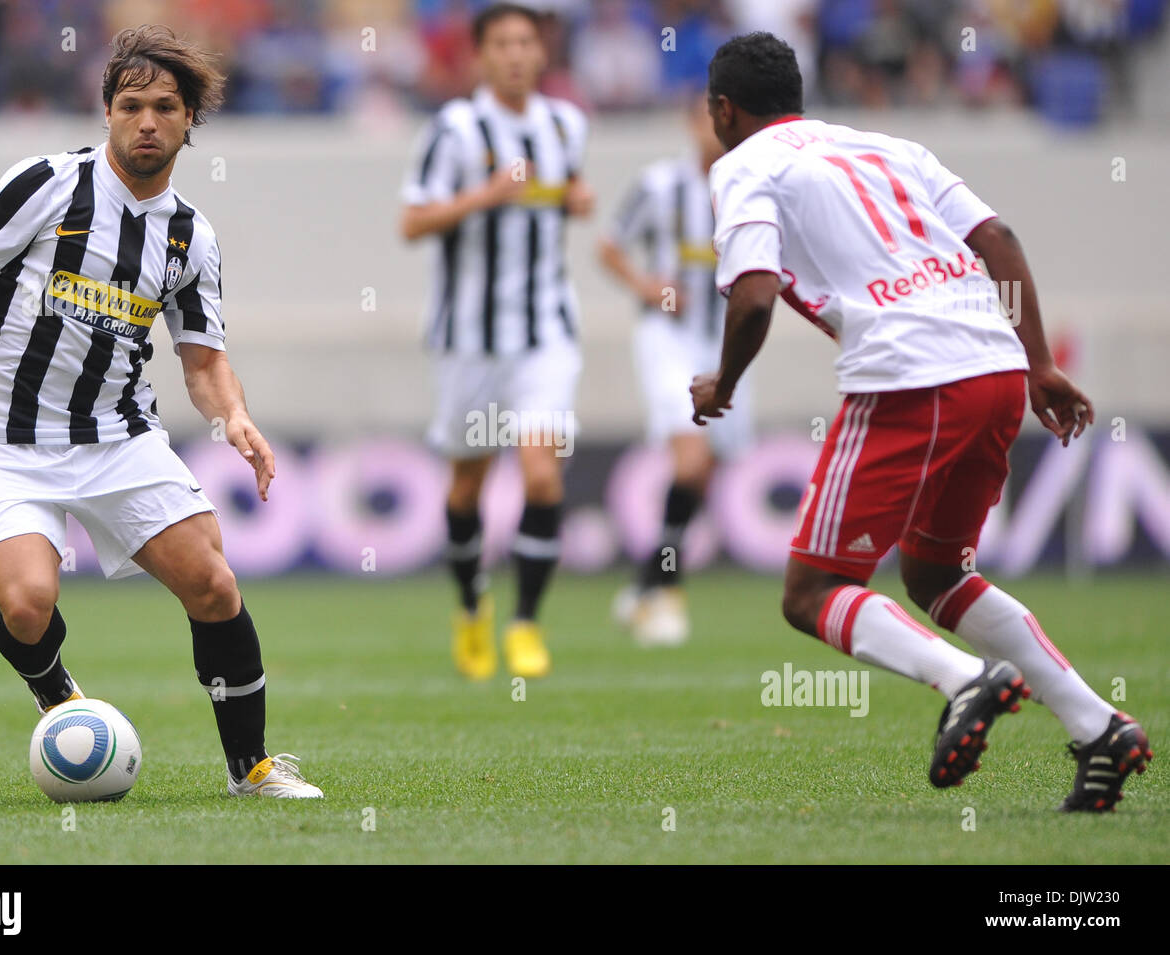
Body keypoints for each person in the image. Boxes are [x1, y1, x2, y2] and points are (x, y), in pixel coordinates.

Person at [692, 32, 1151, 810]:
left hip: (910, 376)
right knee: (937, 573)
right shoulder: (886, 144)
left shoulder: (741, 165)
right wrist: (1037, 362)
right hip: (997, 371)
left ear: (722, 110)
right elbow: (997, 239)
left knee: (811, 591)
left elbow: (755, 293)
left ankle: (964, 676)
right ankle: (1099, 724)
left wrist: (723, 382)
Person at [0, 25, 322, 799]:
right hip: (2, 436)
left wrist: (233, 415)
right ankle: (58, 693)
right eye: (131, 105)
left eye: (165, 107)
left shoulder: (189, 236)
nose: (146, 122)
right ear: (106, 111)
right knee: (29, 602)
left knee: (213, 583)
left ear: (188, 121)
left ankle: (253, 767)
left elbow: (201, 361)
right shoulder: (48, 183)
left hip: (115, 437)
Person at [400, 3, 593, 680]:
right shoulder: (454, 129)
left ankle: (526, 624)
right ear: (480, 55)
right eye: (503, 43)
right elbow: (413, 221)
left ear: (542, 53)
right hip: (469, 339)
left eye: (527, 42)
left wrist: (575, 197)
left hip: (546, 332)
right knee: (466, 486)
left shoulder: (566, 123)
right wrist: (483, 196)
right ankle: (471, 604)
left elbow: (569, 189)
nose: (516, 54)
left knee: (541, 471)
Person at [600, 94, 754, 647]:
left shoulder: (752, 187)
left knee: (707, 471)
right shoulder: (659, 185)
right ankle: (664, 595)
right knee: (689, 462)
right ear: (691, 124)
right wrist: (649, 287)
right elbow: (609, 246)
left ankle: (646, 583)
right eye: (704, 119)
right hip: (667, 337)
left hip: (727, 339)